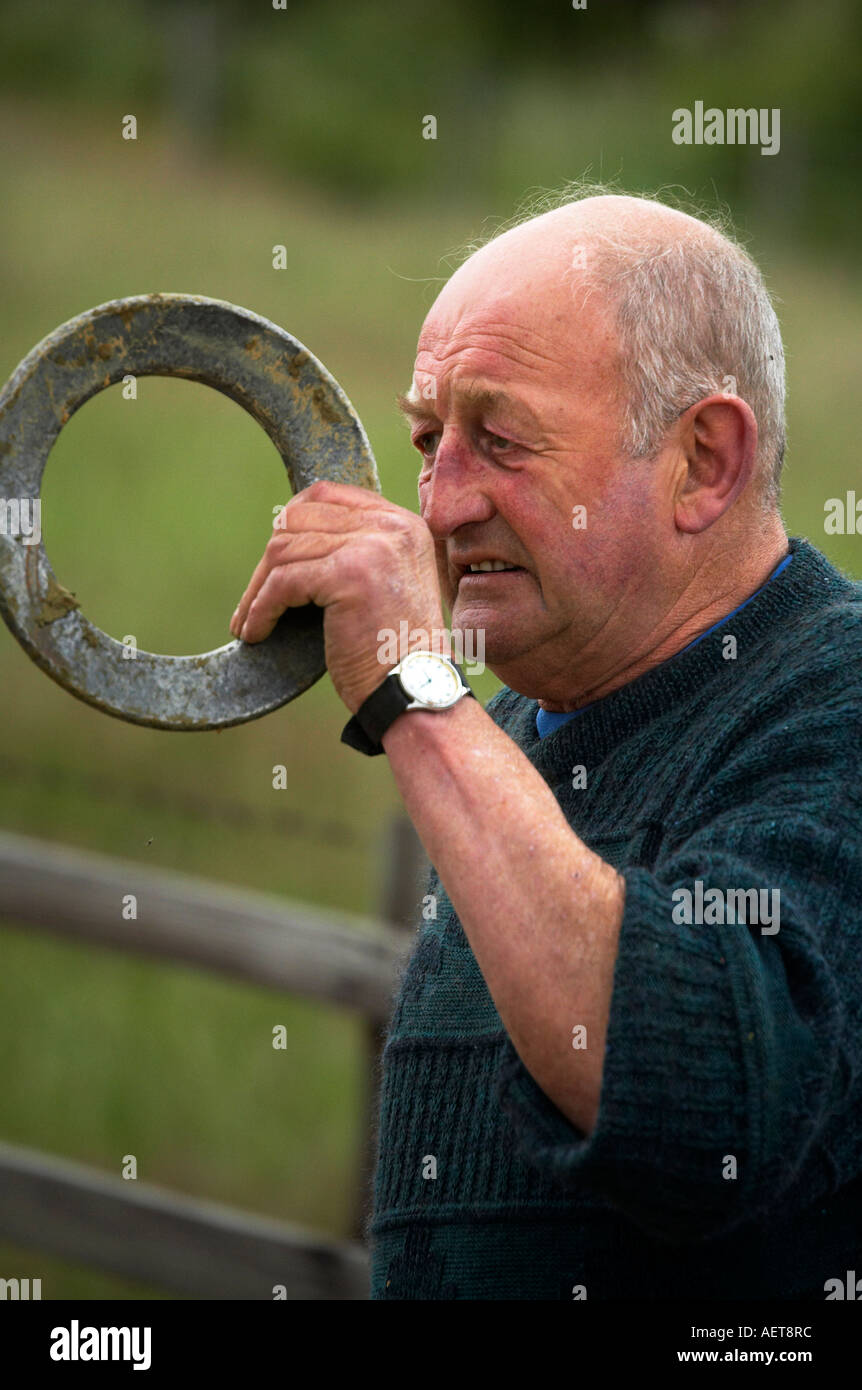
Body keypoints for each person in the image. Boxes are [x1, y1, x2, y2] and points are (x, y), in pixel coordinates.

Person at [230, 188, 862, 1300]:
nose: (438, 503)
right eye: (429, 441)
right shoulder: (515, 735)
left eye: (499, 440)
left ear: (703, 462)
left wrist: (416, 697)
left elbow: (701, 1105)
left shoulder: (834, 699)